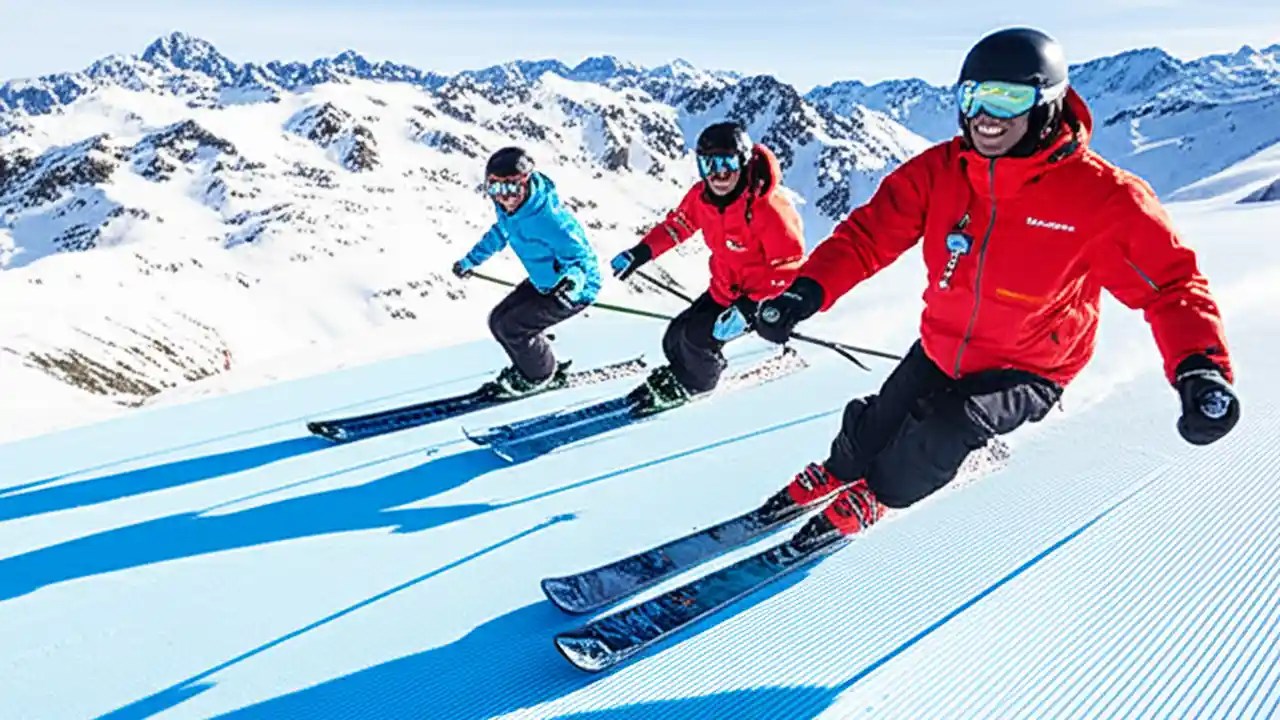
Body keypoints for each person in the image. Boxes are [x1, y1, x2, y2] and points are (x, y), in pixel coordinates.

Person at [752, 27, 1240, 540]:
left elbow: (1172, 286)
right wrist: (804, 292)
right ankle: (841, 470)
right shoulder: (942, 172)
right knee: (877, 424)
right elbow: (868, 235)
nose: (985, 116)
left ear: (1048, 104)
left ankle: (879, 496)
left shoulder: (1104, 199)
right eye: (973, 97)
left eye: (1007, 99)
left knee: (943, 428)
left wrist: (1199, 369)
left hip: (1029, 367)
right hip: (944, 343)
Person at [609, 121, 805, 412]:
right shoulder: (702, 198)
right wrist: (641, 253)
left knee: (697, 340)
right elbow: (678, 225)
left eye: (727, 162)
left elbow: (791, 267)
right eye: (708, 164)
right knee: (675, 336)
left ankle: (698, 384)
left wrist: (753, 308)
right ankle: (682, 374)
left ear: (744, 161)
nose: (719, 173)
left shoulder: (769, 208)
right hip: (724, 289)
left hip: (758, 300)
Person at [452, 146, 601, 398]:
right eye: (495, 189)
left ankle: (538, 375)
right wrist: (470, 261)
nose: (504, 197)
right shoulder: (511, 211)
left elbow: (581, 260)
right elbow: (500, 233)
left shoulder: (551, 220)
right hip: (543, 282)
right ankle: (536, 363)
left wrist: (571, 285)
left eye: (510, 187)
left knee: (513, 327)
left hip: (572, 291)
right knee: (498, 320)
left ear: (526, 182)